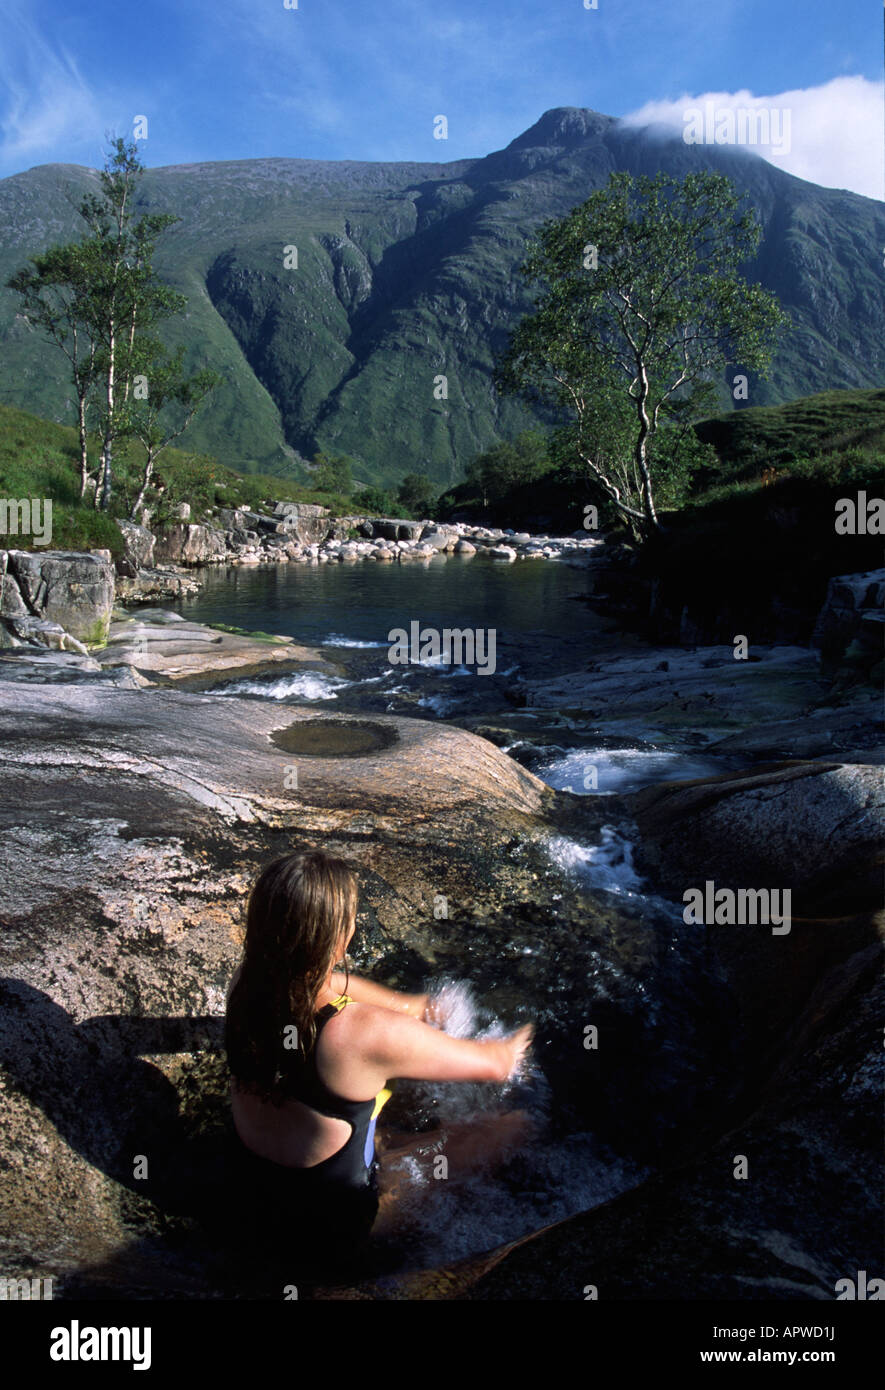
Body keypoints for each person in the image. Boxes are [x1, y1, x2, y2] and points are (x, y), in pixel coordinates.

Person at [223, 847, 533, 1272]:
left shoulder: (246, 986)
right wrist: (520, 1040)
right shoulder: (362, 1034)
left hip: (253, 1196)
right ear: (338, 940)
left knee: (377, 1127)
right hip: (331, 1232)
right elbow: (494, 1064)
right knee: (511, 1128)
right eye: (350, 919)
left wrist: (412, 1006)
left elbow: (319, 982)